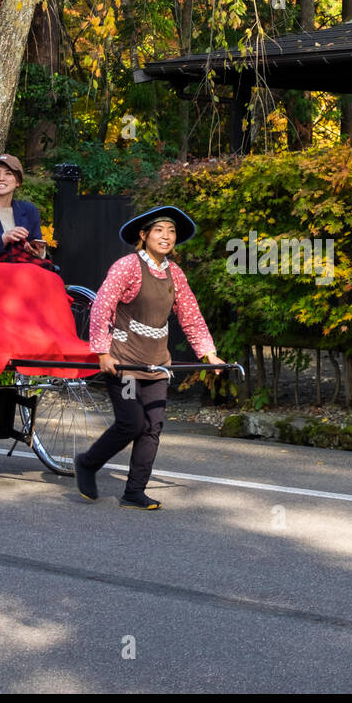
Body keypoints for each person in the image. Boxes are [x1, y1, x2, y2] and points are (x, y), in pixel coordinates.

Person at [74, 206, 224, 509]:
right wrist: (102, 351)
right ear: (143, 236)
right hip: (125, 363)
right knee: (132, 423)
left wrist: (209, 354)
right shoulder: (126, 266)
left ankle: (134, 492)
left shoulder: (175, 273)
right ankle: (88, 463)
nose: (166, 237)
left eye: (171, 232)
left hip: (157, 364)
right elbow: (102, 306)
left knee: (153, 427)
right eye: (159, 230)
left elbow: (190, 315)